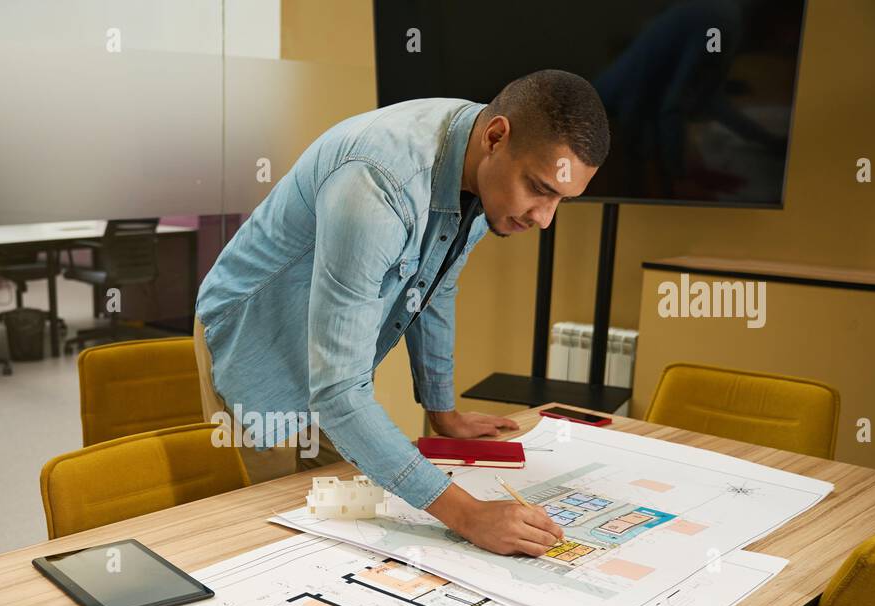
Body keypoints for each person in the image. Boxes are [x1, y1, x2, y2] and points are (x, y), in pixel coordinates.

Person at [194, 69, 609, 556]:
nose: (544, 218)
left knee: (353, 517)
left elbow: (435, 283)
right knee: (275, 536)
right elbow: (339, 393)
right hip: (257, 342)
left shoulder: (476, 163)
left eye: (562, 199)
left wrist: (442, 411)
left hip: (330, 360)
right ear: (497, 137)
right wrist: (469, 516)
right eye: (539, 188)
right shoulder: (377, 185)